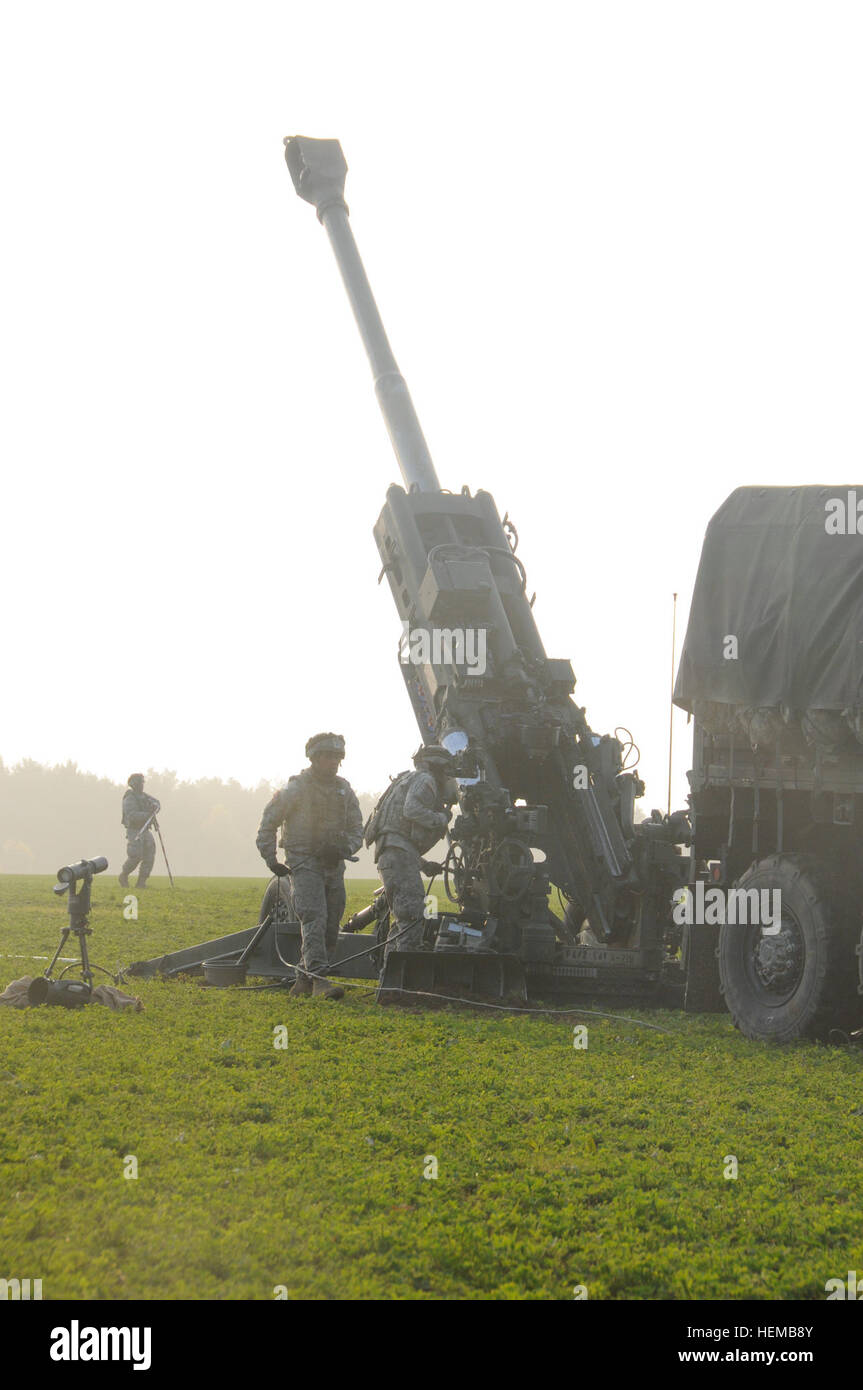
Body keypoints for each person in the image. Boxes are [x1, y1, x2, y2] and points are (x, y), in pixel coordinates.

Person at [256, 733, 363, 1000]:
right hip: (303, 863)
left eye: (337, 758)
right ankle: (319, 981)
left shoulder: (344, 790)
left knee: (332, 923)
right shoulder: (296, 789)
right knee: (314, 916)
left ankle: (303, 980)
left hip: (334, 864)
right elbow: (268, 823)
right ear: (315, 758)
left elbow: (357, 828)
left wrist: (345, 848)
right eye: (328, 757)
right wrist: (272, 860)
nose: (333, 763)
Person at [365, 745, 456, 961]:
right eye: (447, 771)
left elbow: (397, 836)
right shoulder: (426, 780)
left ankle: (390, 979)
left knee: (402, 922)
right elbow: (411, 810)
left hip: (394, 857)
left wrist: (422, 864)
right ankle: (400, 985)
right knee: (413, 919)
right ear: (437, 766)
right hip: (398, 858)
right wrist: (441, 819)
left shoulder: (409, 780)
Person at [119, 773, 161, 889]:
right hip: (134, 831)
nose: (142, 785)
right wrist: (148, 814)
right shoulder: (129, 798)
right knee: (135, 855)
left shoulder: (144, 796)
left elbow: (157, 803)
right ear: (135, 784)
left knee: (149, 855)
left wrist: (154, 806)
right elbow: (132, 815)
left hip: (145, 830)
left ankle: (141, 882)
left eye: (143, 782)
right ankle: (124, 875)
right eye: (140, 782)